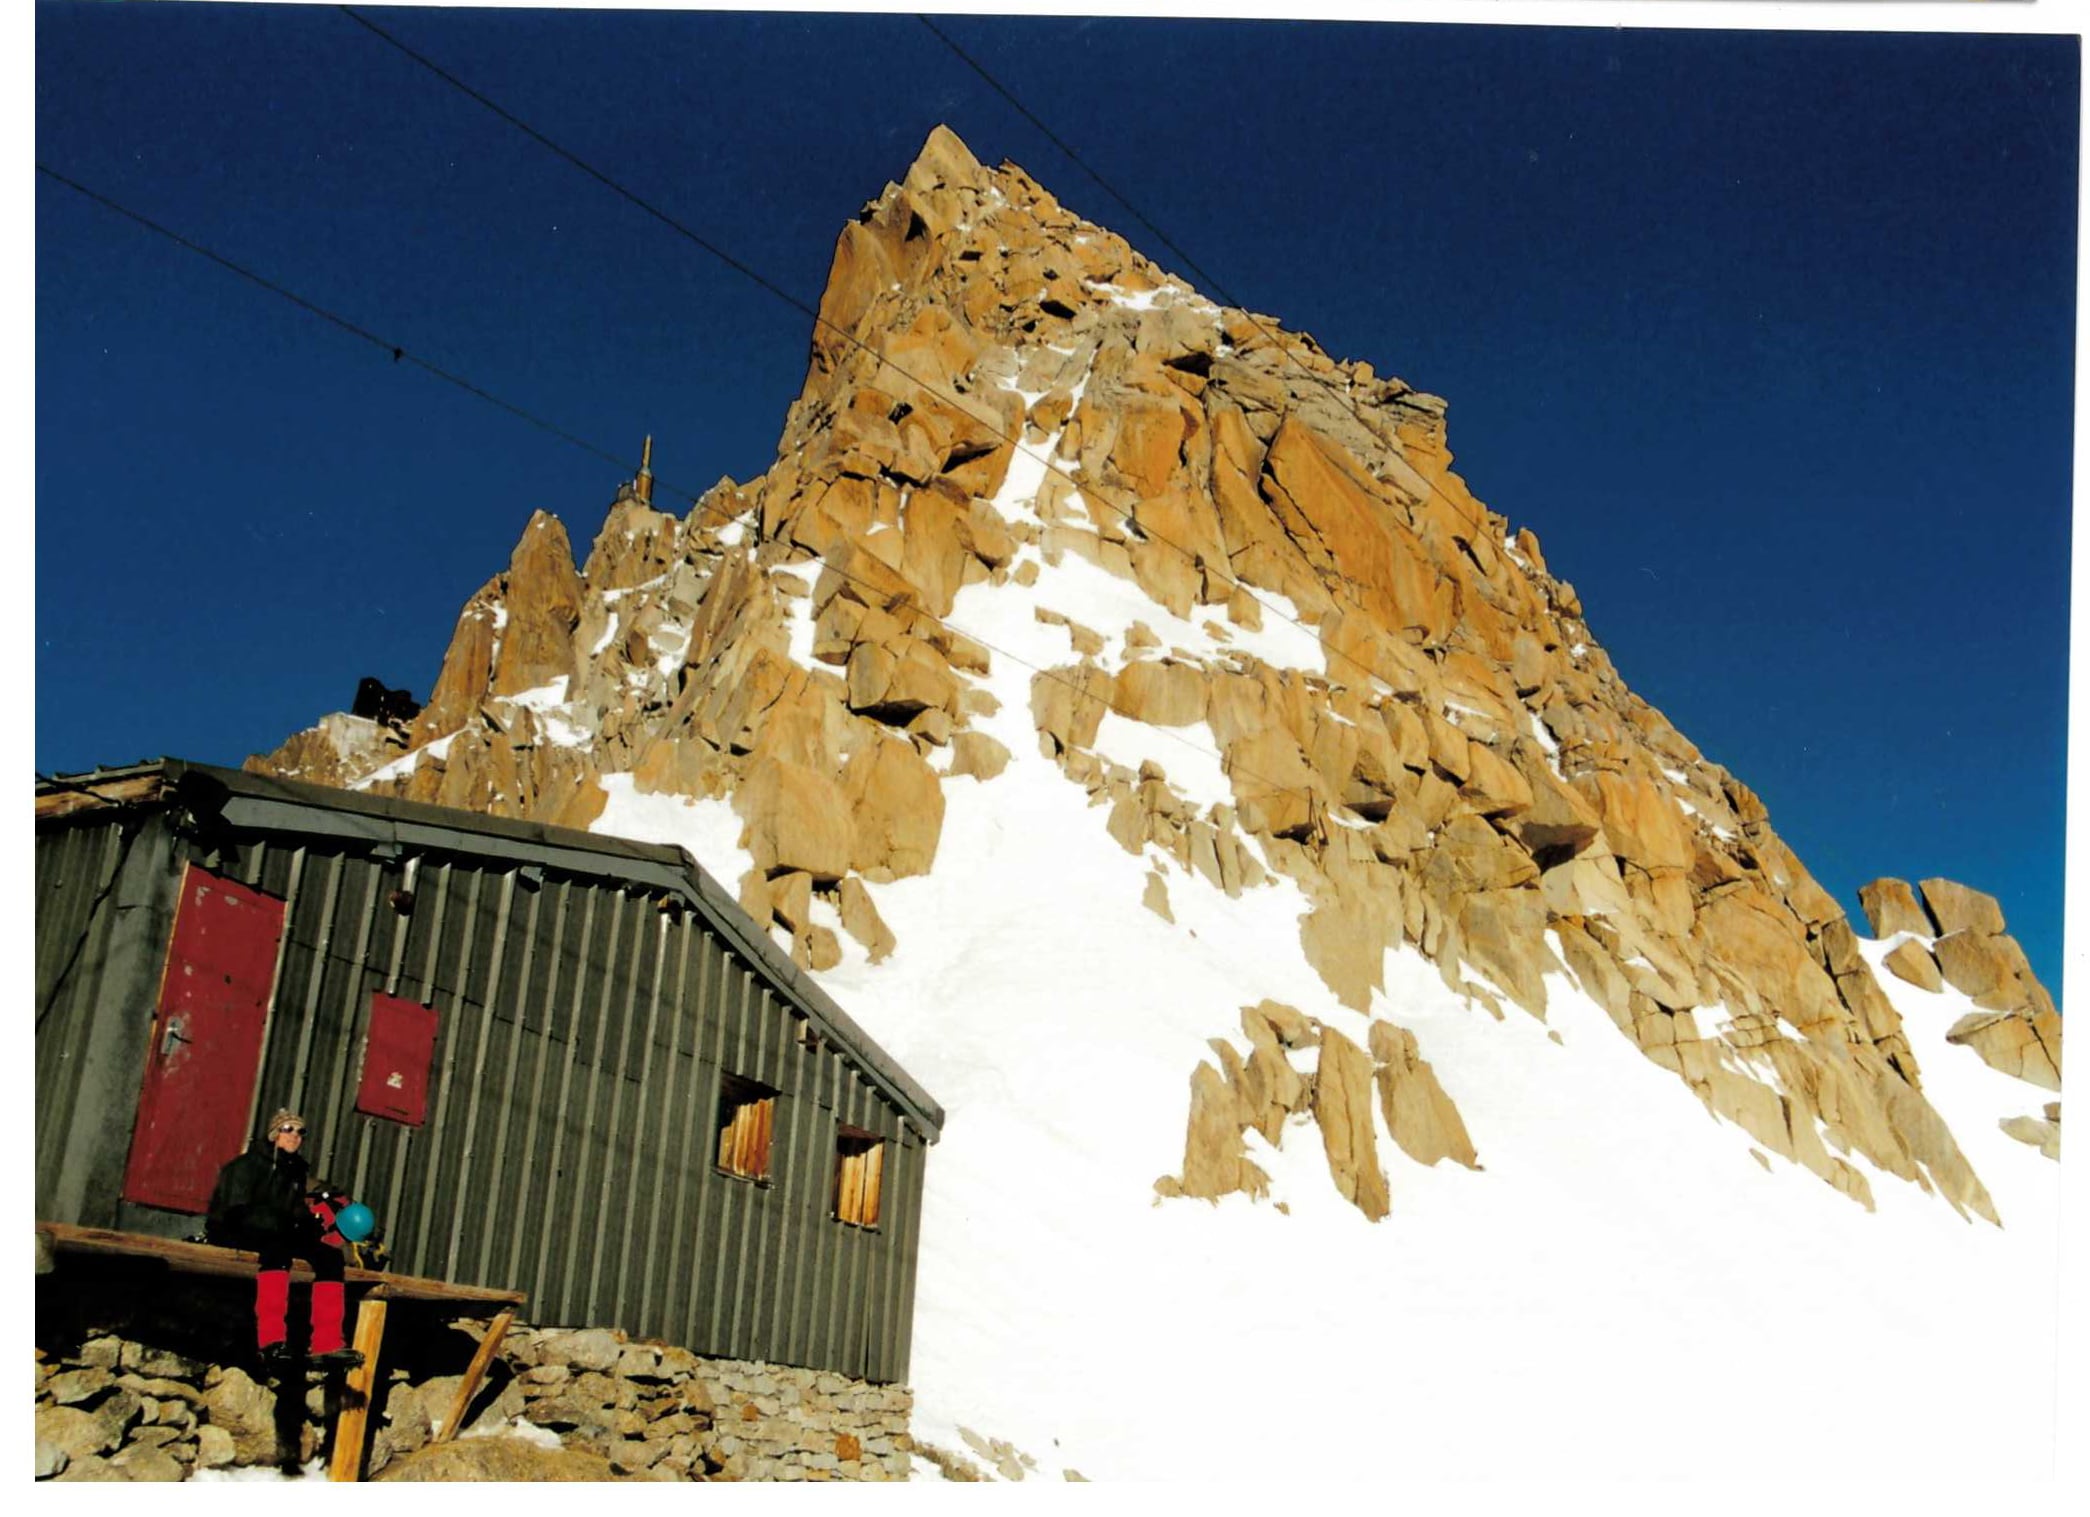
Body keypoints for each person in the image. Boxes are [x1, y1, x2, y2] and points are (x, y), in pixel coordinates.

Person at [205, 1108, 361, 1369]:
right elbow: (233, 1210)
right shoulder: (247, 1165)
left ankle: (327, 1342)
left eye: (301, 1132)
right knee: (277, 1250)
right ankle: (271, 1341)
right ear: (274, 1134)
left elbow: (295, 1211)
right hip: (238, 1229)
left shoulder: (295, 1171)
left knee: (329, 1256)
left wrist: (310, 1227)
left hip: (278, 1231)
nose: (295, 1136)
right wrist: (279, 1223)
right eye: (289, 1129)